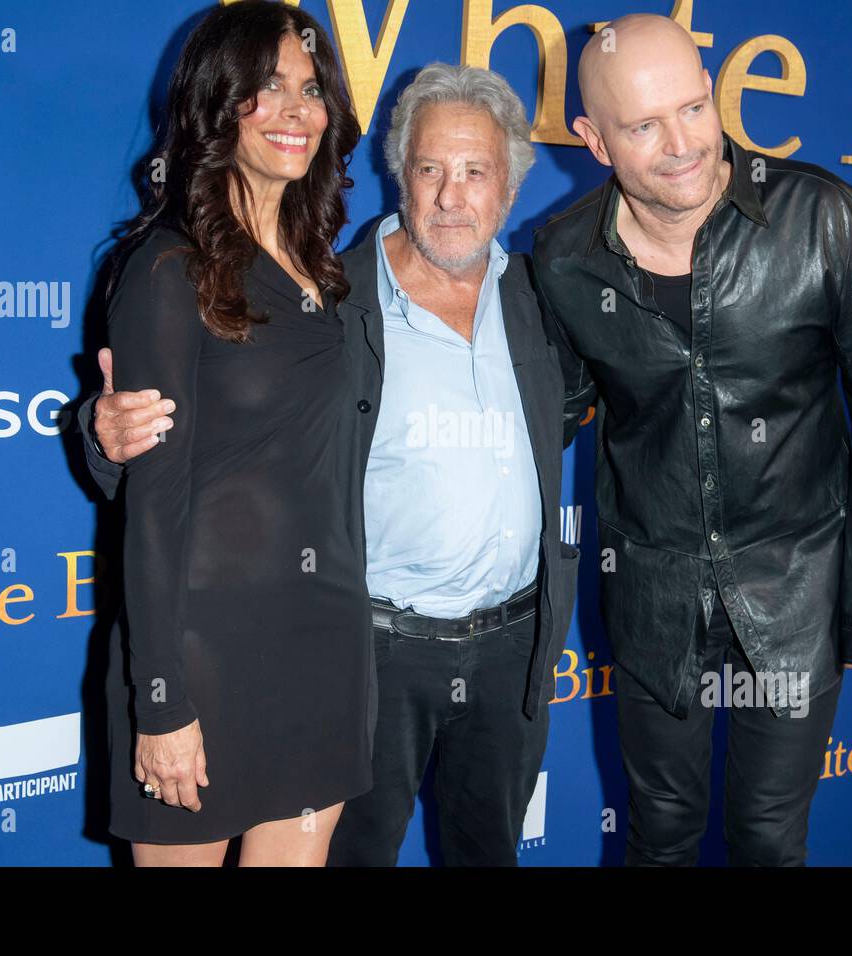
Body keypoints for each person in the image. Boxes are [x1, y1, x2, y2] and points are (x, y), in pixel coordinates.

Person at [78, 64, 579, 866]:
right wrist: (105, 435)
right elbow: (217, 420)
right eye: (430, 169)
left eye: (476, 172)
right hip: (368, 649)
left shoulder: (544, 299)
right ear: (398, 176)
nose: (452, 196)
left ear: (511, 187)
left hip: (509, 654)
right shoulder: (331, 296)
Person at [529, 14, 852, 865]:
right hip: (652, 599)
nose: (683, 145)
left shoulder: (822, 218)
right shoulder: (562, 260)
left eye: (694, 108)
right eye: (643, 125)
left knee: (768, 840)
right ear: (594, 141)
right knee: (659, 835)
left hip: (796, 591)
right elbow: (545, 417)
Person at [98, 0, 371, 866]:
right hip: (203, 652)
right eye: (265, 89)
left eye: (309, 88)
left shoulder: (323, 264)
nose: (297, 110)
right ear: (217, 105)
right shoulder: (165, 269)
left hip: (323, 642)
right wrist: (162, 699)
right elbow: (154, 502)